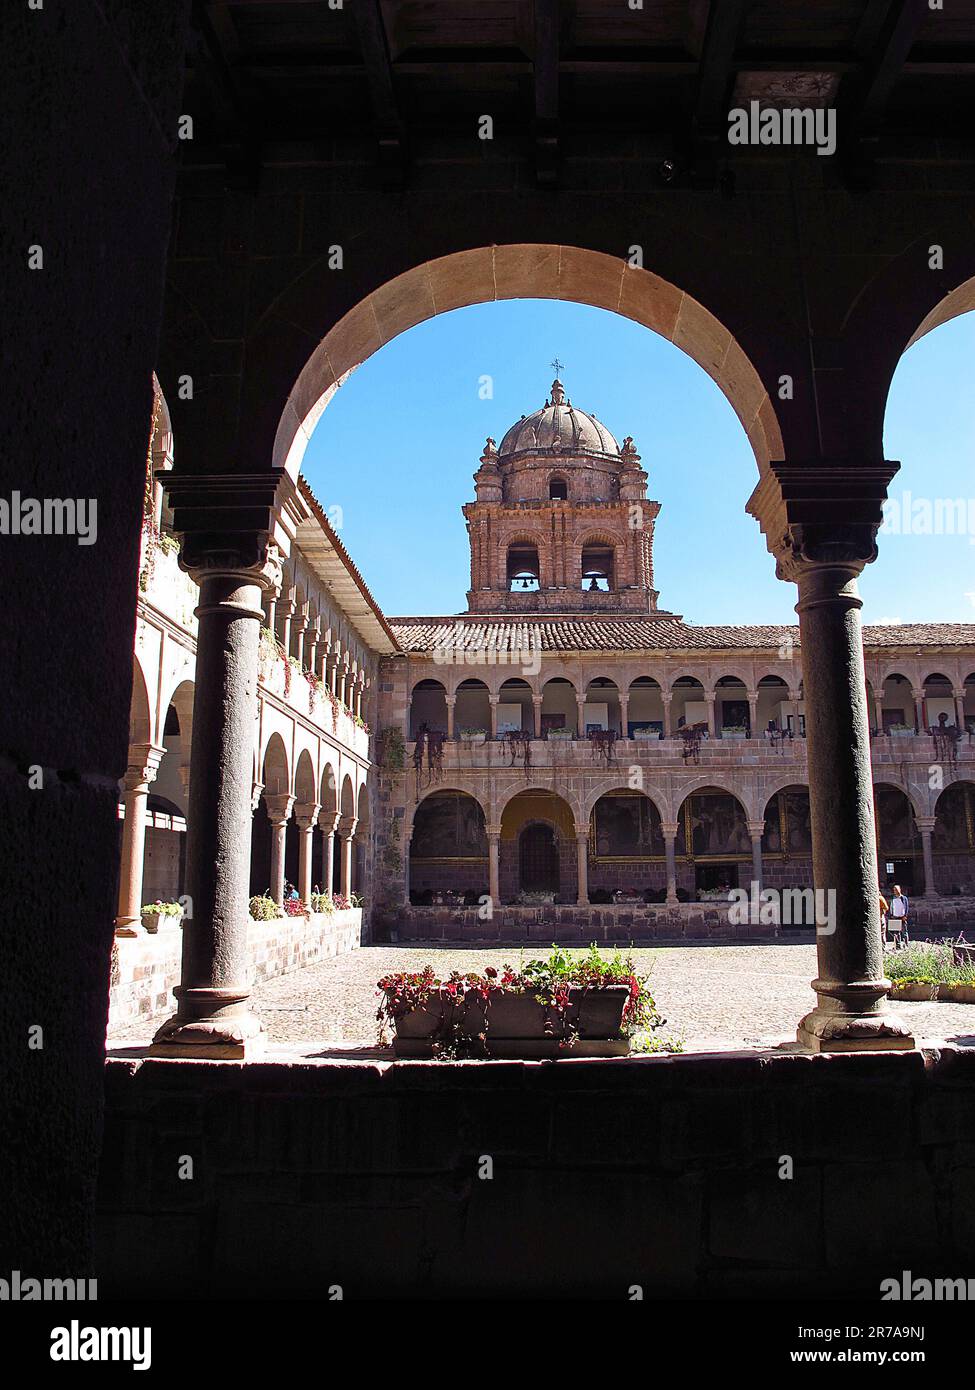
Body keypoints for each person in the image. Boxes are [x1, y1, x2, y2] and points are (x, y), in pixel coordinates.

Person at [888, 884, 910, 949]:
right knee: (896, 932)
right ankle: (898, 945)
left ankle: (906, 945)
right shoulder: (893, 898)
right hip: (895, 916)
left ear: (900, 890)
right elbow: (892, 906)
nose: (895, 891)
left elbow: (906, 907)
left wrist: (905, 915)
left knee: (904, 932)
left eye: (897, 889)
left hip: (902, 917)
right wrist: (891, 914)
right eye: (894, 890)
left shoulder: (904, 898)